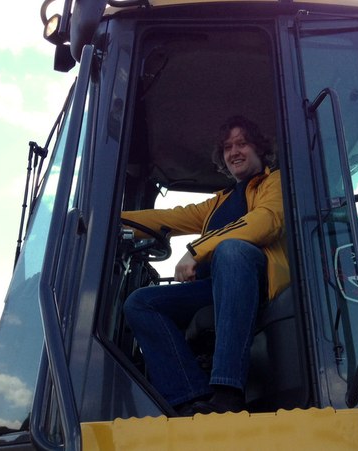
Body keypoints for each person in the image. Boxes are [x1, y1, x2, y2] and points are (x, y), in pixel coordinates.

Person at [122, 116, 289, 415]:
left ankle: (228, 391)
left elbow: (265, 221)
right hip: (215, 288)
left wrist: (196, 251)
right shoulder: (218, 202)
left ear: (260, 149)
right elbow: (168, 218)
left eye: (242, 144)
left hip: (257, 281)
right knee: (140, 302)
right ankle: (189, 396)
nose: (234, 152)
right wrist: (109, 218)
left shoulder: (274, 183)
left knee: (231, 251)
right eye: (227, 147)